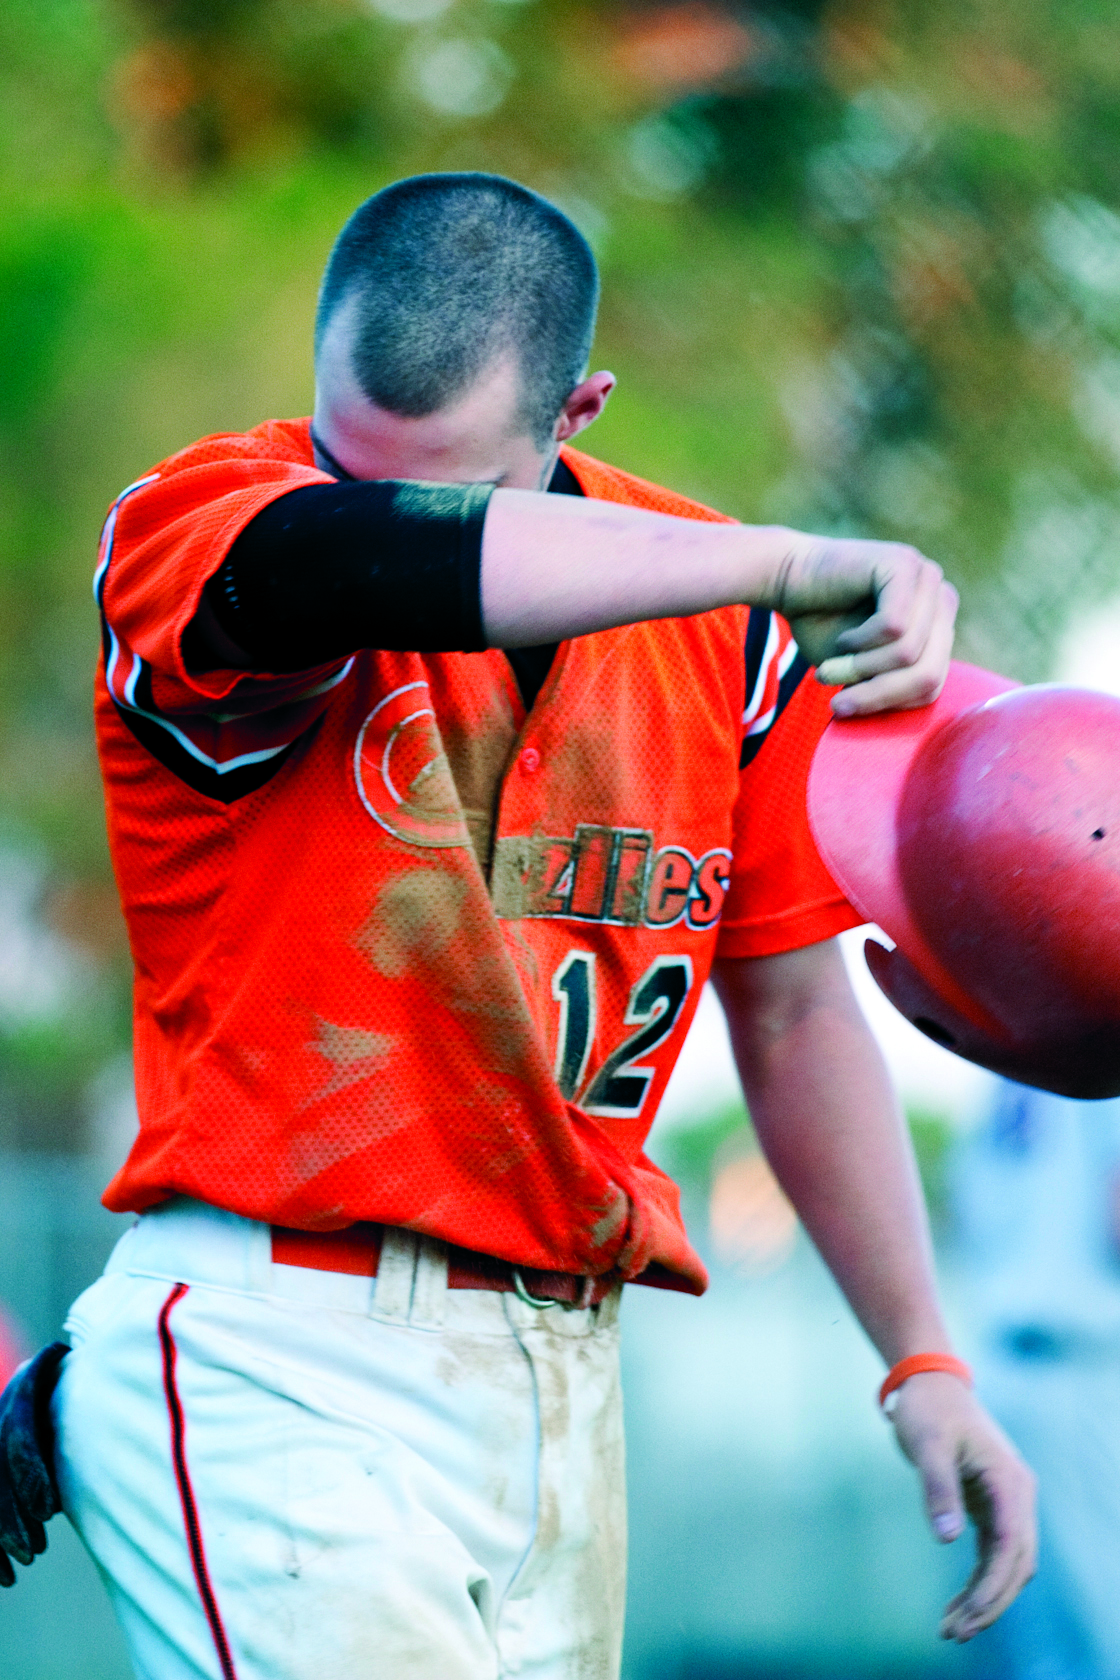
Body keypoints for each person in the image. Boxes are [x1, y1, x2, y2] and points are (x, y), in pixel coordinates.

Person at [0, 173, 1033, 1679]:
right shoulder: (203, 516)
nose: (376, 500)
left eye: (452, 481)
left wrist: (922, 1357)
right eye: (355, 461)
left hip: (564, 1377)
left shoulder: (723, 624)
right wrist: (790, 556)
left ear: (580, 411)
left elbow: (800, 1015)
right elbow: (370, 557)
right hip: (285, 1359)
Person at [954, 1081, 1120, 1680]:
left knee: (1026, 1646)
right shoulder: (1098, 1032)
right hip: (1078, 1371)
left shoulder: (1005, 1047)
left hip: (1002, 1372)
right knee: (1093, 1649)